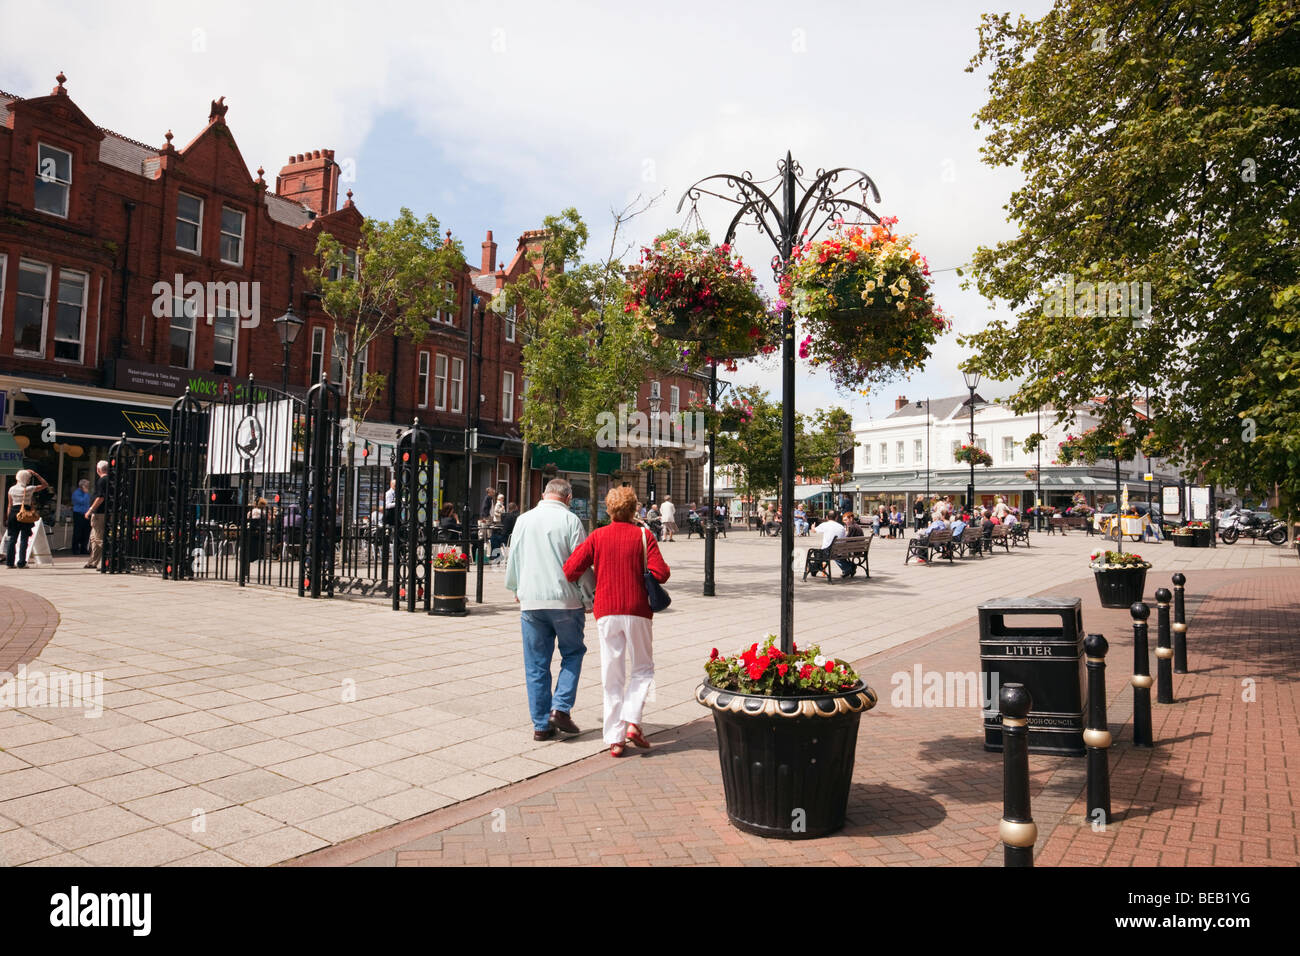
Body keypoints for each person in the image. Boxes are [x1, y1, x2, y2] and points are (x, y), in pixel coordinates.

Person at [562, 486, 669, 758]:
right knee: (643, 669)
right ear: (635, 509)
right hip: (637, 609)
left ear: (608, 509)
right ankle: (633, 720)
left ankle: (615, 738)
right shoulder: (644, 535)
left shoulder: (598, 536)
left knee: (612, 673)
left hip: (606, 609)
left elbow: (571, 569)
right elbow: (662, 573)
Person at [505, 478, 595, 741]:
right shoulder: (571, 521)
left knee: (536, 664)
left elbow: (515, 556)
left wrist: (516, 588)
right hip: (565, 600)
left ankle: (541, 725)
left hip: (531, 600)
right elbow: (581, 563)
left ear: (544, 495)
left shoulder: (524, 519)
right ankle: (561, 708)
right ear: (568, 499)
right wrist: (589, 598)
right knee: (573, 652)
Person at [6, 469, 49, 569]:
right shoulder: (29, 489)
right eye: (28, 478)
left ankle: (9, 562)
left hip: (13, 513)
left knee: (12, 539)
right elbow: (45, 484)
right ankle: (21, 562)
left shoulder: (11, 489)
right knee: (24, 539)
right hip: (25, 513)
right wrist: (36, 474)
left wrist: (8, 517)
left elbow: (9, 505)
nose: (29, 480)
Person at [812, 512, 855, 577]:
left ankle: (814, 569)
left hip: (828, 552)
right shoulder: (841, 527)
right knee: (828, 552)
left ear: (826, 517)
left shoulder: (824, 524)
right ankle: (848, 567)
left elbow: (814, 531)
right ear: (836, 517)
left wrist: (812, 526)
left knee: (819, 553)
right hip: (839, 550)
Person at [85, 460, 109, 569]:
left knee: (99, 538)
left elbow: (100, 497)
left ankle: (111, 558)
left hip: (99, 513)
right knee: (94, 538)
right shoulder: (111, 480)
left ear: (98, 470)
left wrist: (90, 509)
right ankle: (93, 562)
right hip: (105, 512)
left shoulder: (102, 480)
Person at [71, 478, 92, 555]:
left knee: (86, 532)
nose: (88, 487)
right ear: (82, 486)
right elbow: (83, 501)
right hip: (78, 514)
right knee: (77, 532)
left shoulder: (86, 493)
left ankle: (84, 548)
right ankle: (75, 549)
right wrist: (86, 493)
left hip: (86, 514)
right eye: (86, 485)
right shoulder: (76, 493)